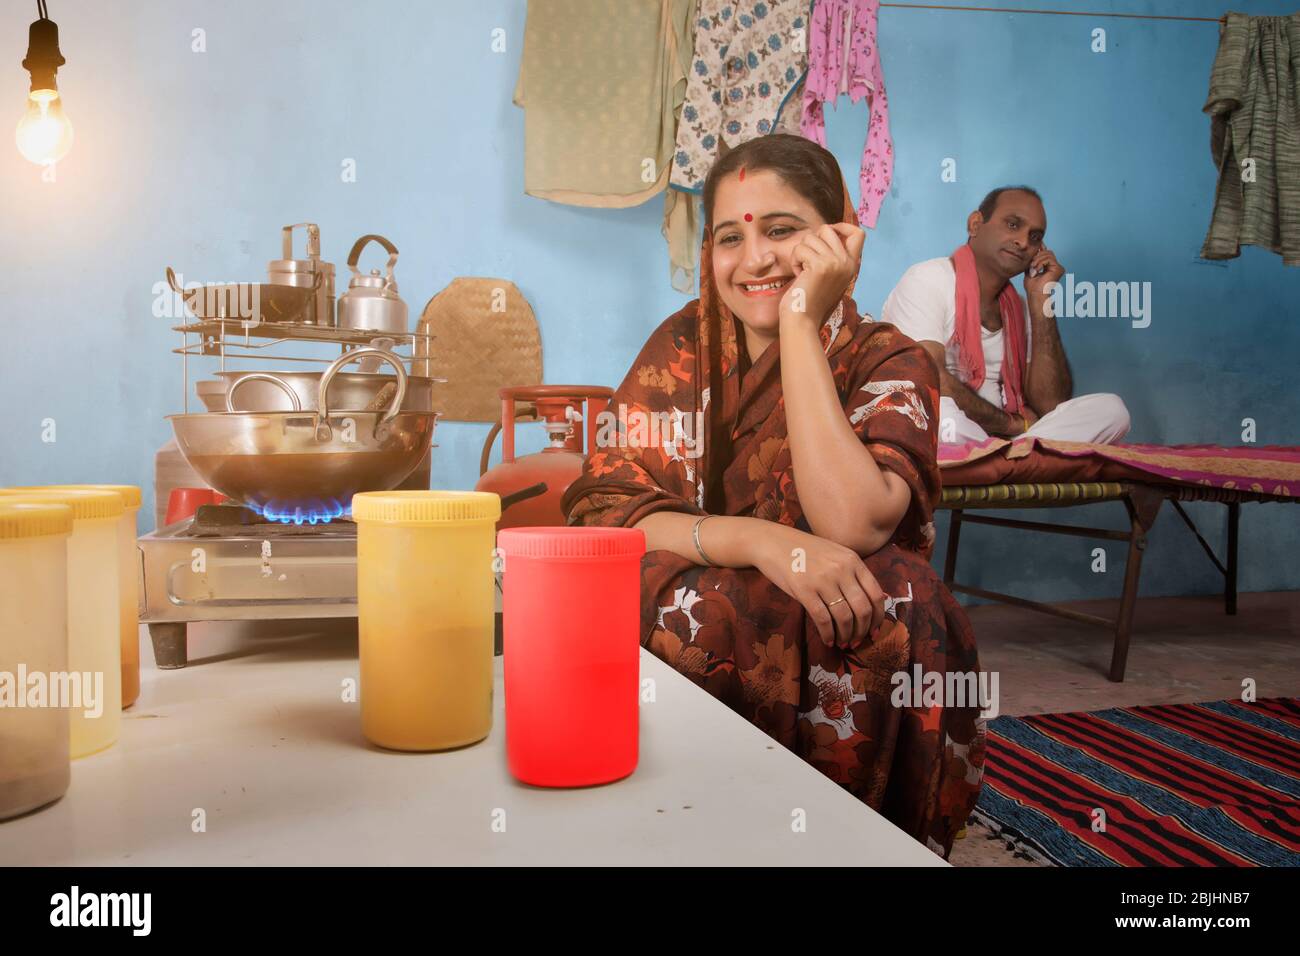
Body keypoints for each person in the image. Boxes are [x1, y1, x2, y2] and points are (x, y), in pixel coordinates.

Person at [561, 134, 985, 858]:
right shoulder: (683, 347)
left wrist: (799, 322)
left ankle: (850, 846)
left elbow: (853, 522)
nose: (754, 260)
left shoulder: (891, 357)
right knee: (611, 585)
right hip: (713, 578)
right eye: (730, 237)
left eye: (783, 231)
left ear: (839, 236)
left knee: (896, 596)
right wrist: (765, 543)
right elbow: (610, 510)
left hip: (834, 604)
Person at [882, 186, 1130, 444]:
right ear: (975, 224)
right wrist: (1012, 424)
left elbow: (1050, 405)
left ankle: (1003, 458)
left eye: (1035, 237)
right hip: (961, 428)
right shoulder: (928, 278)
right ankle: (1016, 455)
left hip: (1007, 437)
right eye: (1013, 225)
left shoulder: (1022, 307)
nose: (1023, 242)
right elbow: (926, 377)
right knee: (943, 417)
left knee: (1113, 411)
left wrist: (1040, 300)